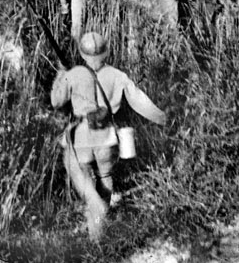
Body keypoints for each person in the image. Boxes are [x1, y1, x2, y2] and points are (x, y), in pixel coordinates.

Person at [50, 32, 167, 239]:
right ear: (107, 51)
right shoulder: (117, 75)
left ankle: (95, 208)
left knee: (79, 174)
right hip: (107, 138)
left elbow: (56, 102)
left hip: (82, 138)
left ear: (82, 54)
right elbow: (139, 101)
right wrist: (163, 119)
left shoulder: (74, 73)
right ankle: (97, 235)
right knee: (105, 179)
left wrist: (61, 74)